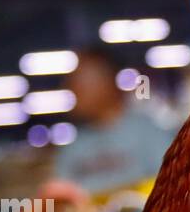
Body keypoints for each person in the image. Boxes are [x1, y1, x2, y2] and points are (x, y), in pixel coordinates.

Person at [54, 47, 177, 193]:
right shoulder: (73, 149)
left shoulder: (147, 132)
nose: (72, 89)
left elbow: (173, 185)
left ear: (107, 81)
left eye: (79, 81)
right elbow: (62, 199)